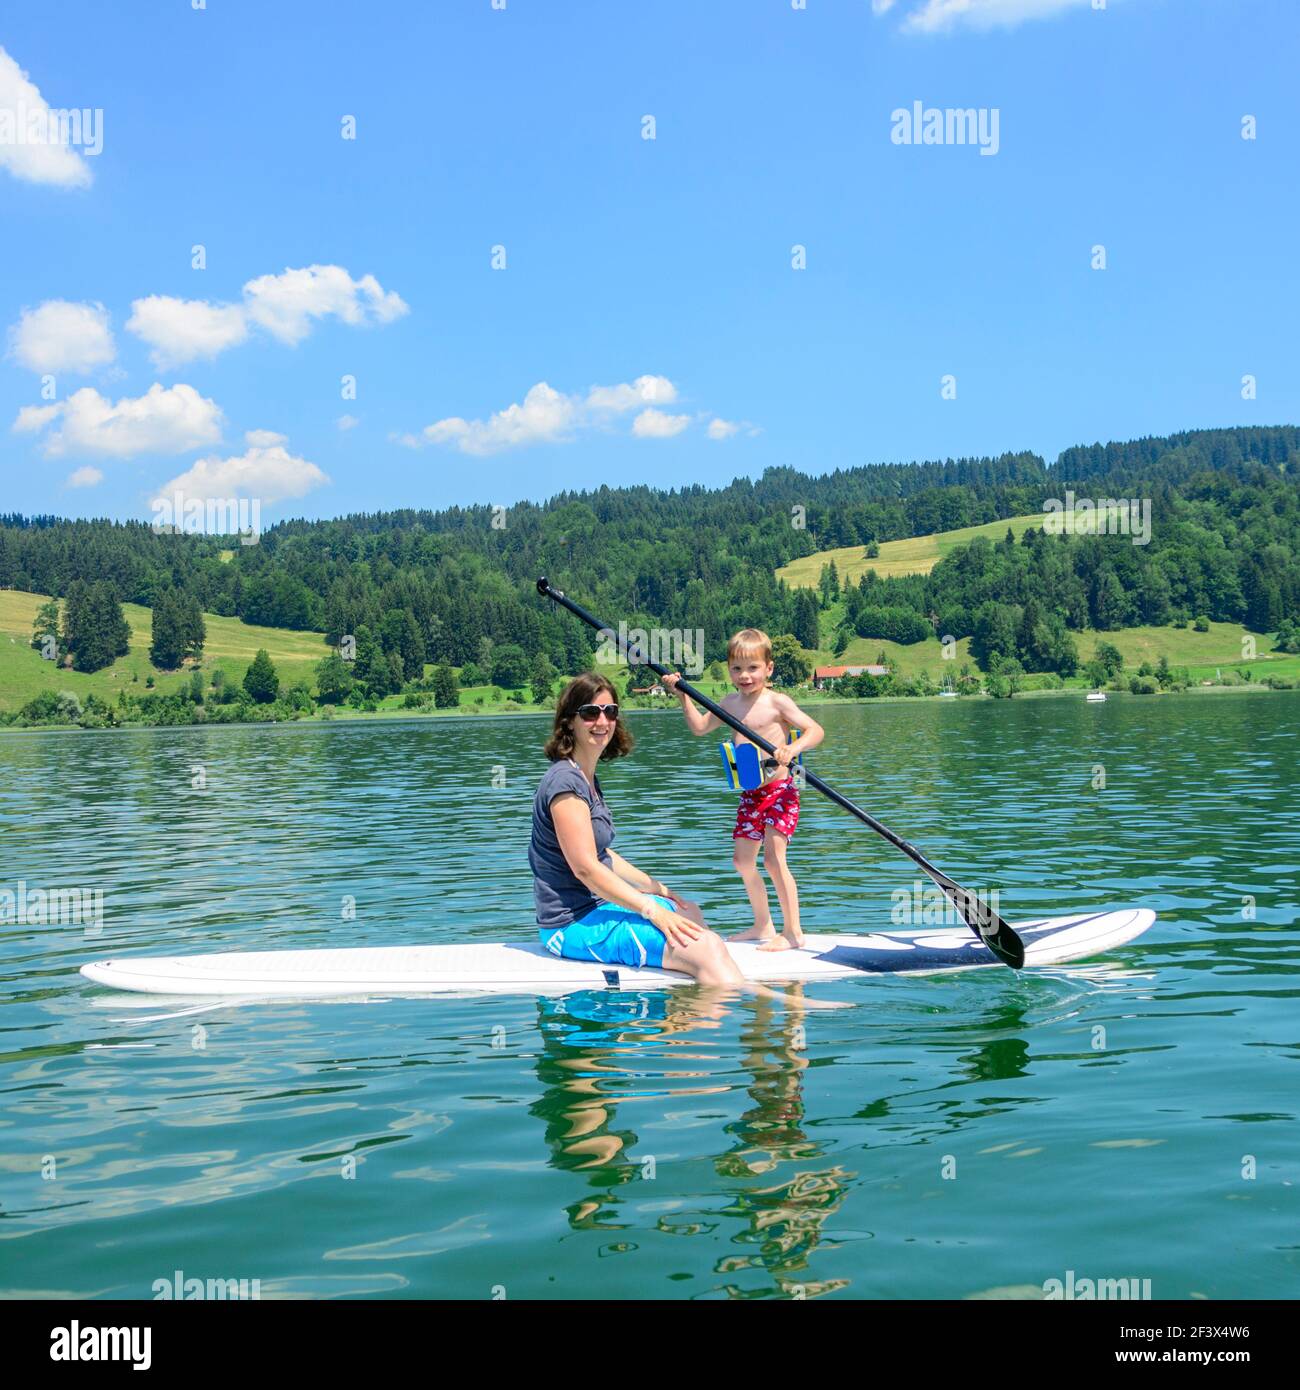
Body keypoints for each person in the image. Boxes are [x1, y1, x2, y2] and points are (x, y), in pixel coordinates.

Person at [530, 672, 754, 986]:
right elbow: (586, 869)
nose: (602, 721)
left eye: (610, 712)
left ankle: (687, 1005)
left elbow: (601, 853)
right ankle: (754, 1009)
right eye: (590, 713)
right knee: (708, 948)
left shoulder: (585, 778)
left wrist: (657, 889)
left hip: (597, 908)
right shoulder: (564, 784)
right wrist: (651, 910)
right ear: (570, 721)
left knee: (689, 912)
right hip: (569, 925)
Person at [663, 628, 824, 952]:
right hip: (752, 794)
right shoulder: (729, 703)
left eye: (752, 668)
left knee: (774, 860)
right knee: (742, 861)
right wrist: (682, 695)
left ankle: (793, 932)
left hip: (781, 789)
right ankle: (763, 923)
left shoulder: (777, 702)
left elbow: (815, 730)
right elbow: (699, 728)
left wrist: (792, 750)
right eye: (737, 668)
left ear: (769, 668)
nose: (745, 675)